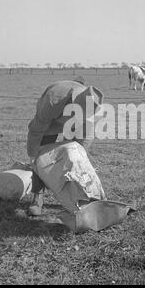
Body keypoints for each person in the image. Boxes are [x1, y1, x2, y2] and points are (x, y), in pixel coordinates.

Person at [27, 79, 104, 216]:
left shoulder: (93, 112)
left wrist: (79, 161)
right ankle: (37, 196)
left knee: (76, 161)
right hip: (51, 123)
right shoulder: (54, 99)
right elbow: (37, 129)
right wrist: (33, 155)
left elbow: (84, 140)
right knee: (41, 157)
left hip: (76, 126)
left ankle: (75, 198)